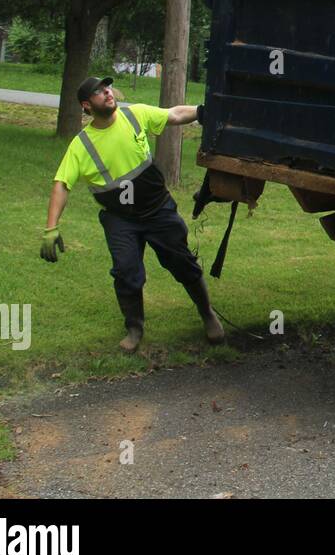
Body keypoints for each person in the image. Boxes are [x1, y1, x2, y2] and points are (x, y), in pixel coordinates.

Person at [41, 75, 224, 352]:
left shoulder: (134, 115)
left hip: (158, 209)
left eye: (107, 88)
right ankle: (134, 328)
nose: (107, 92)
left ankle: (207, 314)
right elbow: (61, 184)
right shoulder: (82, 145)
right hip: (120, 220)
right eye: (98, 92)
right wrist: (51, 227)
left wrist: (201, 112)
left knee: (183, 263)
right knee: (127, 272)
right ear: (86, 105)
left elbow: (173, 114)